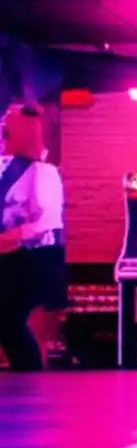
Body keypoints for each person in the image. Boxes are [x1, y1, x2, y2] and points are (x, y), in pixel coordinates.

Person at [0, 104, 65, 371]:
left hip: (32, 258)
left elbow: (46, 222)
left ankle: (29, 374)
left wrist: (11, 237)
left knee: (8, 318)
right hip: (10, 255)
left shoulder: (43, 172)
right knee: (7, 320)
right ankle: (26, 374)